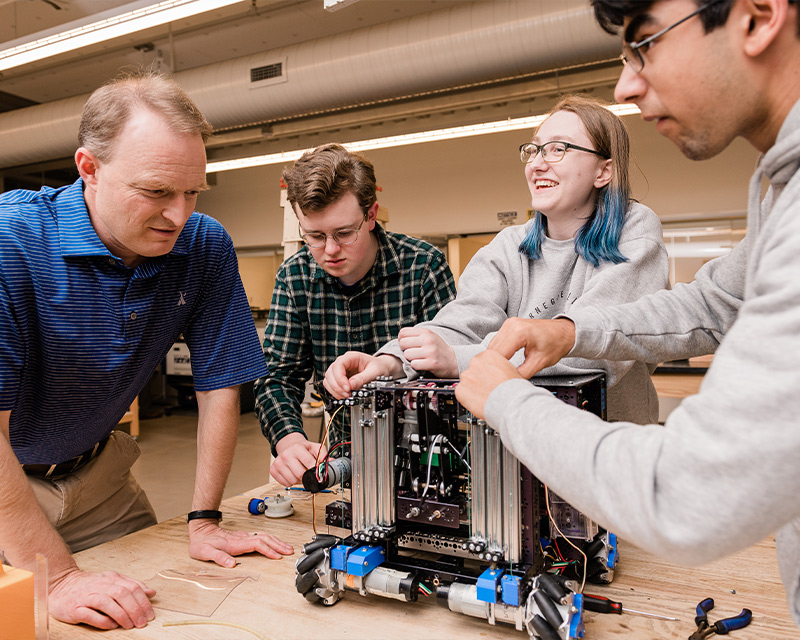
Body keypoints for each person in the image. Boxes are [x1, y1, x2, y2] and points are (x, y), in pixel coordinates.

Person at [454, 0, 800, 627]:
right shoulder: (780, 186)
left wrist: (506, 401)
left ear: (757, 15)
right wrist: (571, 331)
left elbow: (688, 499)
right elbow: (715, 301)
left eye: (645, 43)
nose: (626, 84)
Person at [0, 71, 293, 631]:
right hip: (5, 486)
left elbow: (219, 384)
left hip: (98, 477)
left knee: (159, 610)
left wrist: (204, 519)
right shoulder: (10, 243)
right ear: (89, 168)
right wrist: (57, 577)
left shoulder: (203, 245)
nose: (178, 215)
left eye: (192, 192)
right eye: (156, 191)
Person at [325, 94, 669, 425]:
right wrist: (390, 361)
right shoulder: (509, 247)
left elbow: (596, 346)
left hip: (612, 454)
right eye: (533, 149)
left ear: (603, 171)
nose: (536, 163)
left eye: (558, 149)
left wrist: (458, 359)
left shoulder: (634, 230)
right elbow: (461, 323)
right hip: (523, 454)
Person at [254, 143, 456, 487]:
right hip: (347, 467)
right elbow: (277, 379)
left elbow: (456, 371)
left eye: (344, 233)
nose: (330, 250)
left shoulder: (424, 268)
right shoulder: (295, 277)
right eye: (314, 236)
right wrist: (289, 442)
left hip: (429, 467)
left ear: (371, 214)